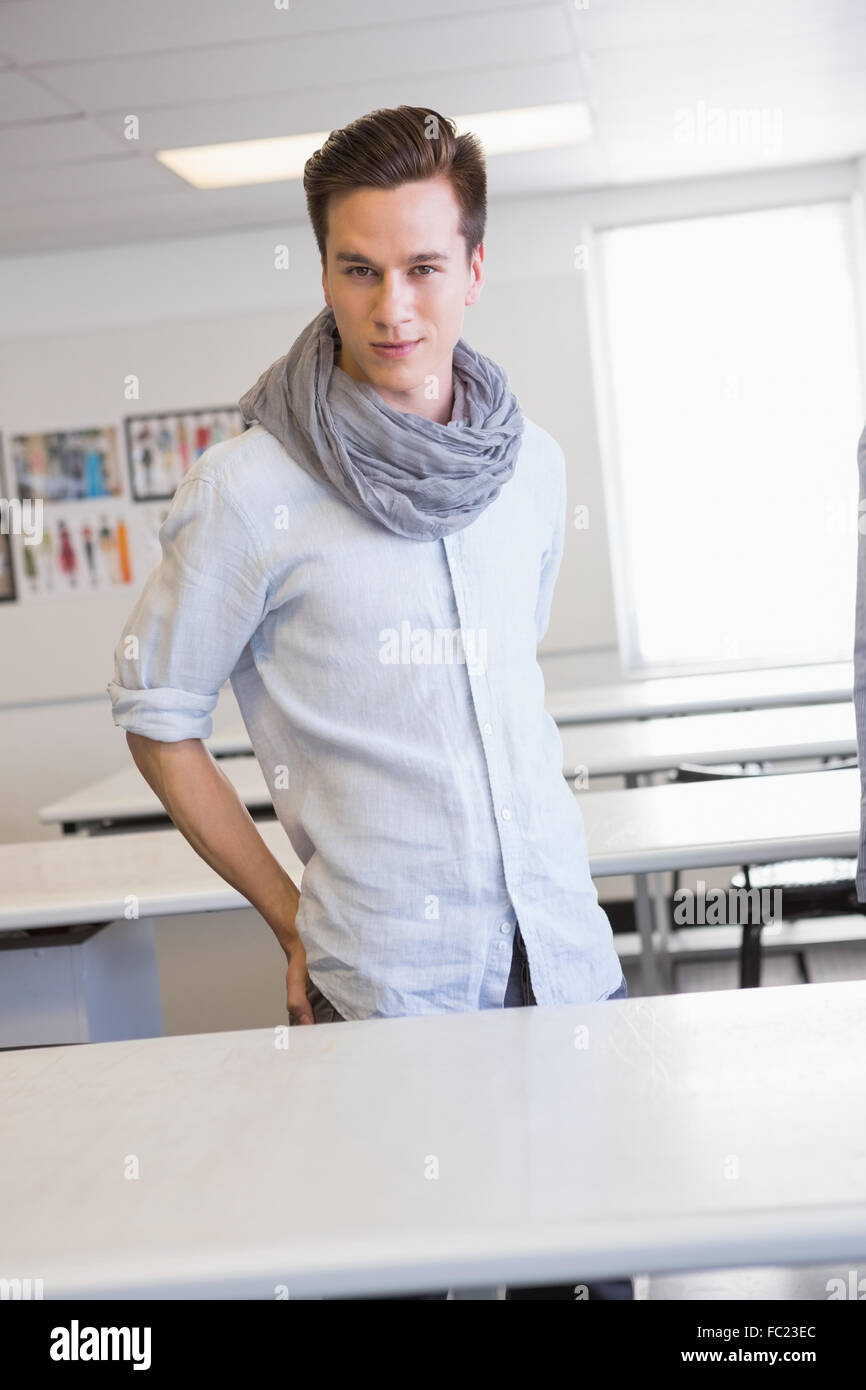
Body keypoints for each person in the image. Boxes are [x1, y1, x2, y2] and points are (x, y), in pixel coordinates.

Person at [107, 104, 632, 1301]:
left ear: (474, 269)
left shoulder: (529, 470)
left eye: (422, 268)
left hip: (560, 961)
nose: (392, 307)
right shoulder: (248, 491)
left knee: (598, 1288)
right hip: (386, 985)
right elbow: (157, 713)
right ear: (325, 270)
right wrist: (290, 915)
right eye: (359, 270)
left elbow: (504, 684)